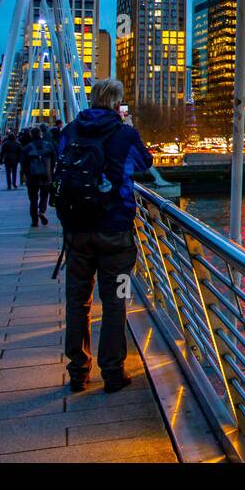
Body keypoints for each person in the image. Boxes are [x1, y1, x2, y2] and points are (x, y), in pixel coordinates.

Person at [57, 78, 152, 393]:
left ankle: (78, 371)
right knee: (115, 301)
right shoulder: (124, 133)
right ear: (117, 102)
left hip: (77, 230)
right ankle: (112, 372)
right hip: (115, 230)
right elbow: (145, 162)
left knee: (77, 301)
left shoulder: (70, 131)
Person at [22, 127, 55, 226]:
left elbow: (24, 164)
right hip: (46, 175)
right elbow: (54, 161)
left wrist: (25, 175)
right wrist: (51, 172)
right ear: (41, 134)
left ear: (31, 135)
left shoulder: (27, 148)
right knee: (44, 195)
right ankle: (42, 211)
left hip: (32, 177)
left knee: (33, 199)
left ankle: (34, 221)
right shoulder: (48, 145)